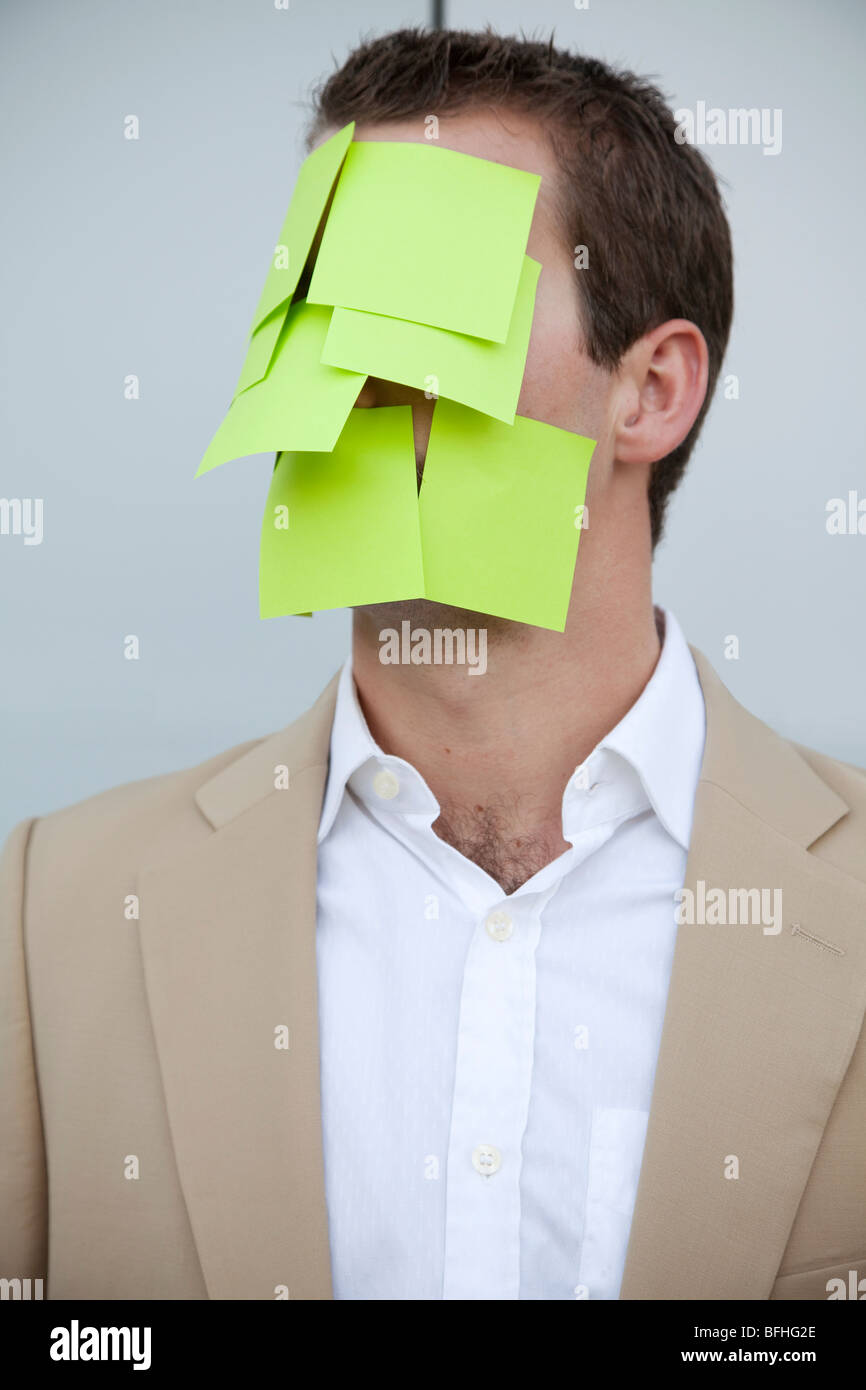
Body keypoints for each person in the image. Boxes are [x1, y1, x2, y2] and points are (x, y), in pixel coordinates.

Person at [2, 28, 864, 1303]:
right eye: (316, 299)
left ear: (652, 389)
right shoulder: (51, 913)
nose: (348, 369)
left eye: (428, 295)